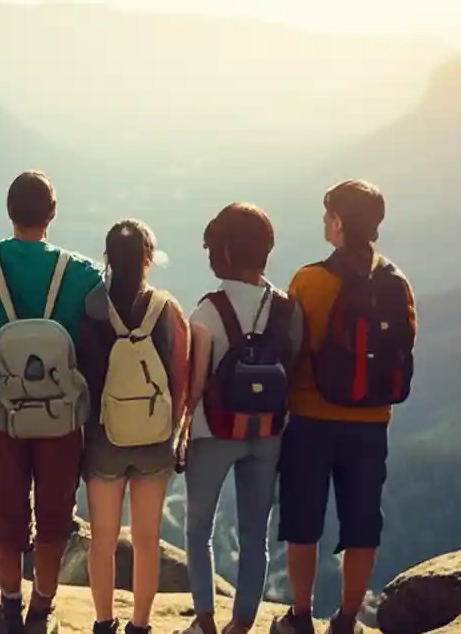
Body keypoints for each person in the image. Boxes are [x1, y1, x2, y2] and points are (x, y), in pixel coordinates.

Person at [0, 171, 103, 634]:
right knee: (55, 514)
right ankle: (42, 609)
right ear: (53, 214)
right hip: (61, 419)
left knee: (7, 512)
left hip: (1, 416)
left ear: (9, 212)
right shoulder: (83, 275)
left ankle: (8, 607)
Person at [272, 181, 417, 634]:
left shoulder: (309, 280)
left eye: (326, 214)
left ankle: (299, 617)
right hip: (371, 422)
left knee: (303, 519)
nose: (323, 222)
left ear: (337, 223)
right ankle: (348, 619)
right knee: (361, 521)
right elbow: (404, 345)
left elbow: (290, 351)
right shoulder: (396, 283)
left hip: (311, 419)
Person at [174, 204, 303, 634]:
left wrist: (181, 429)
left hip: (214, 431)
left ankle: (205, 621)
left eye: (212, 246)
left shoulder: (207, 312)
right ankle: (242, 624)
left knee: (199, 530)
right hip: (269, 432)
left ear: (226, 250)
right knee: (255, 534)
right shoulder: (288, 308)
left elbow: (194, 387)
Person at [78, 220, 190, 634]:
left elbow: (81, 376)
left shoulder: (90, 307)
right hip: (154, 440)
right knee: (147, 538)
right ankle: (140, 624)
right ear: (147, 259)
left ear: (107, 258)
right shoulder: (166, 308)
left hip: (103, 438)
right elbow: (180, 375)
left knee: (103, 539)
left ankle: (103, 622)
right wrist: (174, 427)